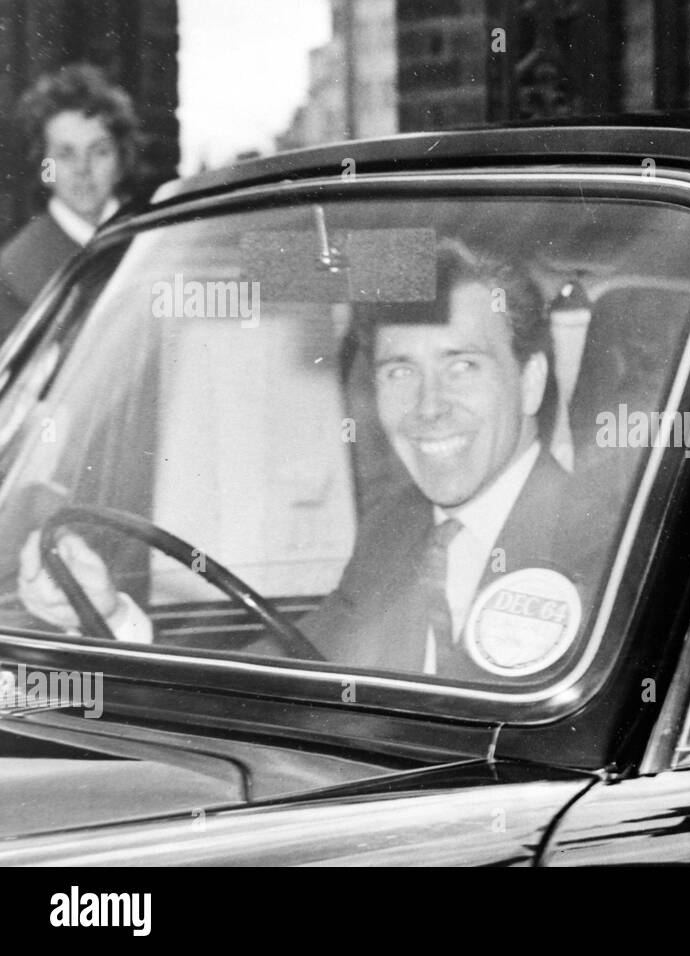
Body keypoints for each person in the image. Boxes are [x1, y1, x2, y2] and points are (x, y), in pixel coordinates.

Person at [18, 241, 602, 680]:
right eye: (400, 371)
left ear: (530, 383)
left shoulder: (602, 547)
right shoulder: (399, 530)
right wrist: (111, 617)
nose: (428, 407)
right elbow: (279, 680)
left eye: (461, 366)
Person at [0, 64, 138, 336]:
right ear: (44, 168)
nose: (82, 169)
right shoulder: (13, 272)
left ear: (121, 161)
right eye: (65, 154)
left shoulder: (152, 240)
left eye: (99, 152)